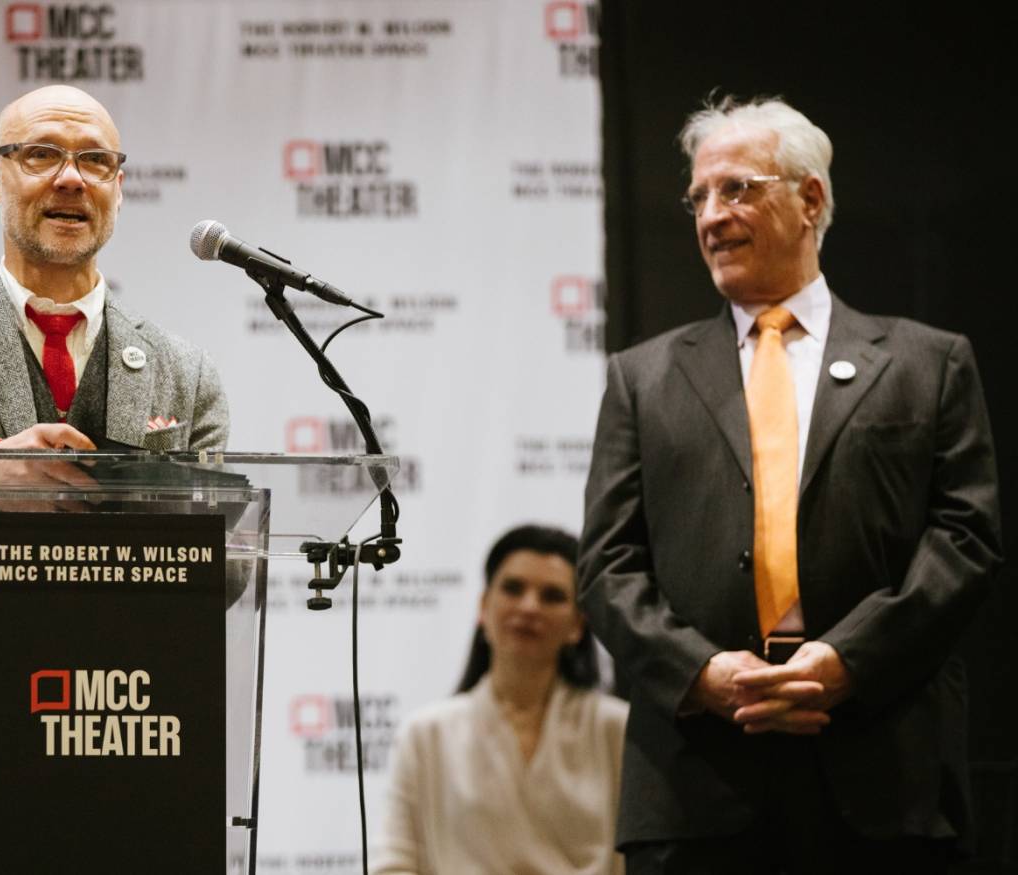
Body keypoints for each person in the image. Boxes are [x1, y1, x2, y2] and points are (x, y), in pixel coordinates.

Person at [577, 95, 1001, 873]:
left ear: (810, 199)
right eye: (699, 196)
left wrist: (850, 659)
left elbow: (966, 541)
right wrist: (702, 672)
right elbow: (607, 569)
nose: (711, 215)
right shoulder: (641, 380)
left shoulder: (926, 363)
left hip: (884, 777)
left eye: (737, 188)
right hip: (695, 782)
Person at [0, 85, 229, 835]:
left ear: (119, 187)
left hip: (144, 724)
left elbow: (232, 563)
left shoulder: (182, 369)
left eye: (95, 160)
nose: (71, 178)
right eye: (41, 155)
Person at [376, 525, 628, 875]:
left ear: (578, 624)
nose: (529, 607)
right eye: (513, 588)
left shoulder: (616, 728)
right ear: (483, 606)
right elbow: (393, 865)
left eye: (552, 596)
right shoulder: (426, 734)